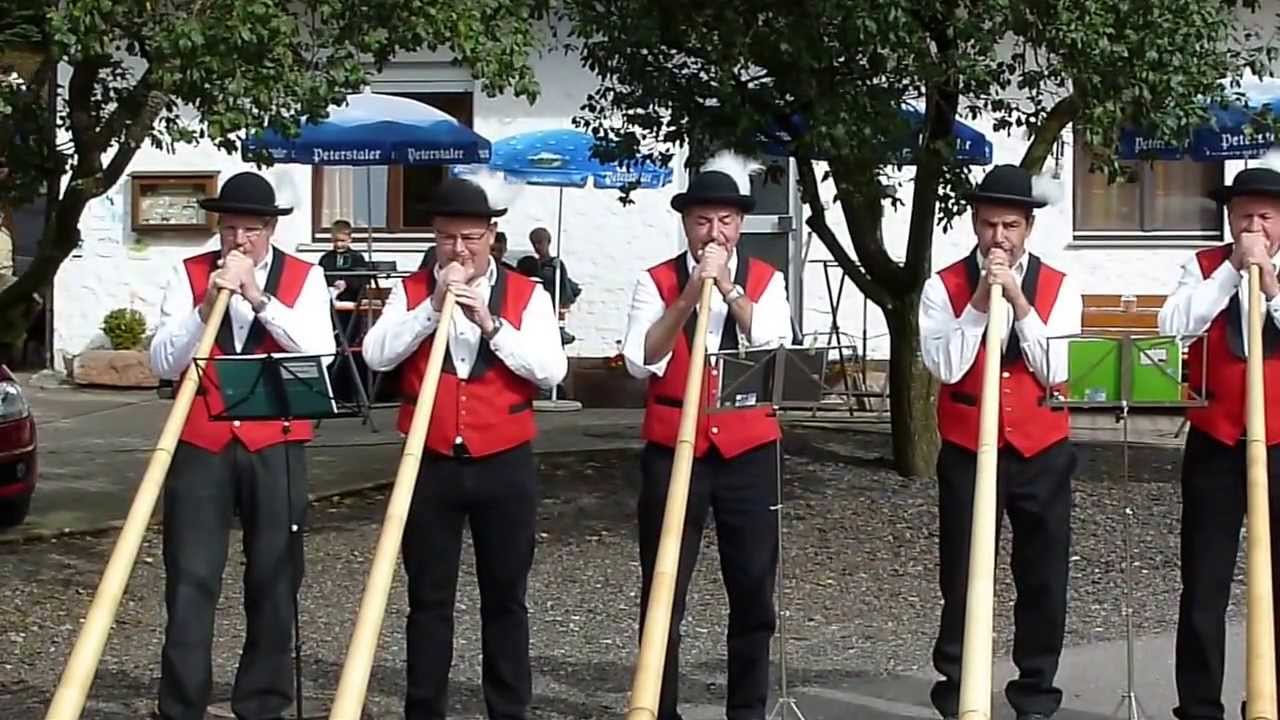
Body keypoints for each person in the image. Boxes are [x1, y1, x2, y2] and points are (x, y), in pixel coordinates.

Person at [361, 171, 567, 720]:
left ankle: (508, 709)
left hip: (504, 462)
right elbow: (376, 356)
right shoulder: (410, 291)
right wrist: (431, 310)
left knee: (506, 597)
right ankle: (425, 709)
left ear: (492, 237)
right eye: (448, 238)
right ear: (434, 236)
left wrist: (490, 323)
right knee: (428, 600)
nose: (459, 250)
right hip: (428, 462)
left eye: (471, 238)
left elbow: (550, 371)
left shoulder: (529, 294)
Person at [147, 171, 336, 720]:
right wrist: (204, 310)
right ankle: (182, 705)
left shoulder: (306, 277)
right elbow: (161, 362)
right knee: (190, 576)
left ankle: (262, 701)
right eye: (229, 229)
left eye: (250, 231)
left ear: (271, 229)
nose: (238, 242)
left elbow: (319, 356)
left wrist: (258, 297)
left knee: (275, 576)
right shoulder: (188, 275)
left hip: (275, 439)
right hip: (201, 440)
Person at [621, 149, 792, 720]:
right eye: (701, 221)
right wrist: (691, 294)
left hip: (747, 449)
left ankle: (746, 710)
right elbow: (640, 359)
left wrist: (731, 291)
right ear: (686, 224)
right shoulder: (657, 281)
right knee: (664, 587)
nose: (712, 232)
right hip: (674, 447)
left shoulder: (767, 280)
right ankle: (656, 707)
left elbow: (773, 344)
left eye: (724, 221)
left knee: (751, 590)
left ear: (739, 225)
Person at [917, 163, 1081, 720]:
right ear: (974, 223)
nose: (999, 238)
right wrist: (982, 303)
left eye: (1010, 225)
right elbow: (944, 363)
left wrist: (1022, 302)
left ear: (1028, 227)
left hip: (1042, 450)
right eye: (989, 225)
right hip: (968, 448)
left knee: (1043, 576)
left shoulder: (1059, 286)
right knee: (962, 576)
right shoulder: (943, 286)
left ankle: (1035, 693)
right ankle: (959, 693)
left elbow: (1058, 369)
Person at [1157, 157, 1280, 720]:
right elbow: (1173, 325)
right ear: (1230, 221)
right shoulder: (1202, 268)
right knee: (1204, 584)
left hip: (1278, 444)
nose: (1255, 229)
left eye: (1265, 218)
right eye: (1244, 217)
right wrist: (1232, 272)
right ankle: (1200, 707)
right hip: (1216, 442)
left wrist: (1272, 291)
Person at [317, 218, 369, 339]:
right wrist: (332, 283)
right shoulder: (326, 258)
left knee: (351, 333)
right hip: (331, 304)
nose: (339, 244)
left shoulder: (357, 258)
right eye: (336, 241)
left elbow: (362, 280)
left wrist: (347, 283)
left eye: (342, 241)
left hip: (351, 302)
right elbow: (320, 278)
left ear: (350, 239)